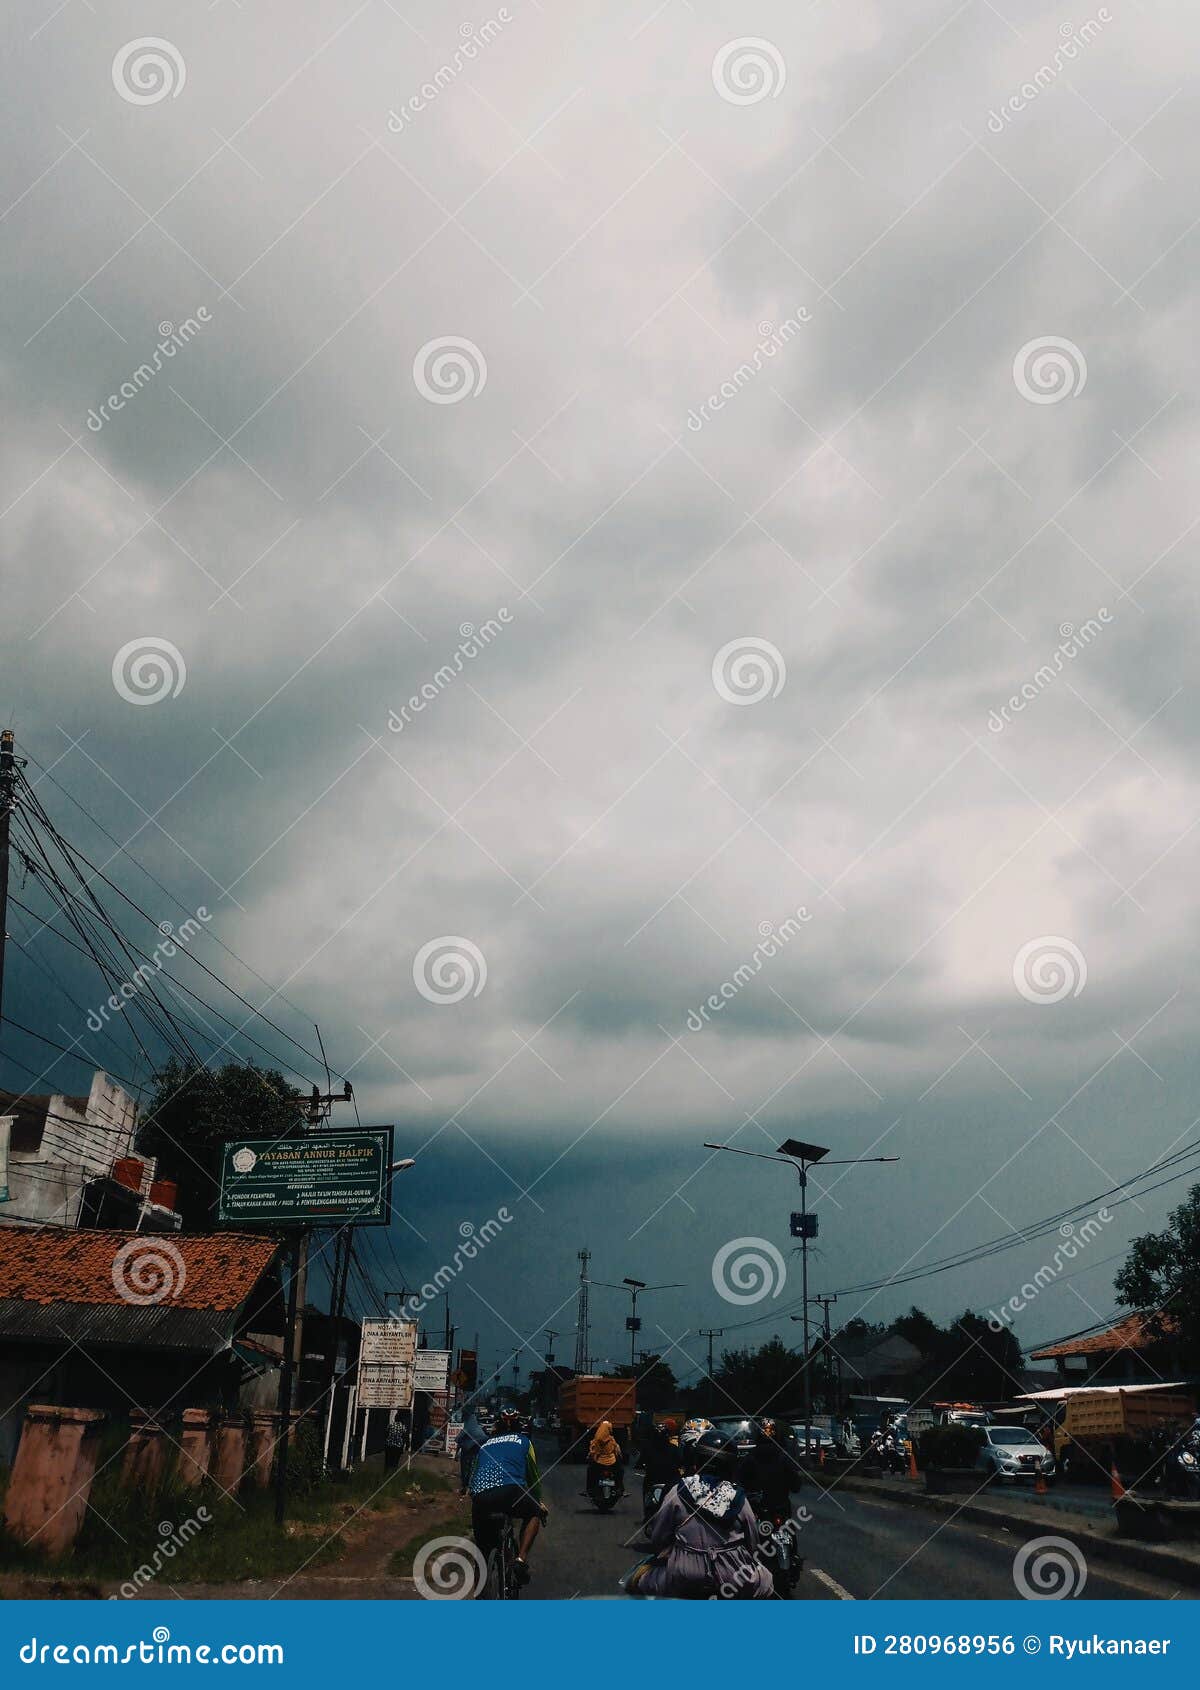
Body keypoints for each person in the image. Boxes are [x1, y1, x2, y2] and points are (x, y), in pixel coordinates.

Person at [628, 1425, 772, 1599]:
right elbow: (753, 1541)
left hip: (683, 1575)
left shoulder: (678, 1491)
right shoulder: (738, 1497)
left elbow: (658, 1536)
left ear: (697, 1460)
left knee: (636, 1581)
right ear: (731, 1466)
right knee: (767, 1583)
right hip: (733, 1577)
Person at [468, 1410, 547, 1584]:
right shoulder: (524, 1441)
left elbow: (472, 1476)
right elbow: (533, 1477)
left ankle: (480, 1588)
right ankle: (521, 1560)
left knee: (483, 1549)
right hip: (511, 1491)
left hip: (481, 1497)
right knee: (534, 1513)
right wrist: (538, 1502)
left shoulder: (485, 1445)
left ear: (496, 1426)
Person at [736, 1419, 801, 1515]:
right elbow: (795, 1486)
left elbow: (739, 1482)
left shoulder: (749, 1458)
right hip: (779, 1507)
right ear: (777, 1435)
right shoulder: (784, 1458)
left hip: (756, 1509)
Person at [640, 1417, 683, 1517]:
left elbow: (641, 1462)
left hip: (653, 1480)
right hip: (669, 1481)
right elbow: (680, 1462)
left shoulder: (648, 1448)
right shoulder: (674, 1448)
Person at [587, 1418, 625, 1499]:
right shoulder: (611, 1440)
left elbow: (592, 1451)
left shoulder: (595, 1441)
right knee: (620, 1471)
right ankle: (620, 1488)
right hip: (612, 1462)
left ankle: (590, 1490)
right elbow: (618, 1451)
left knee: (590, 1471)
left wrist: (590, 1457)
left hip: (599, 1462)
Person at [455, 1406, 488, 1495]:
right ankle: (470, 1486)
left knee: (467, 1467)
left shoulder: (468, 1426)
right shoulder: (475, 1425)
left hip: (473, 1448)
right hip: (479, 1447)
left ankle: (466, 1487)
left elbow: (457, 1439)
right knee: (473, 1468)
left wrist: (458, 1451)